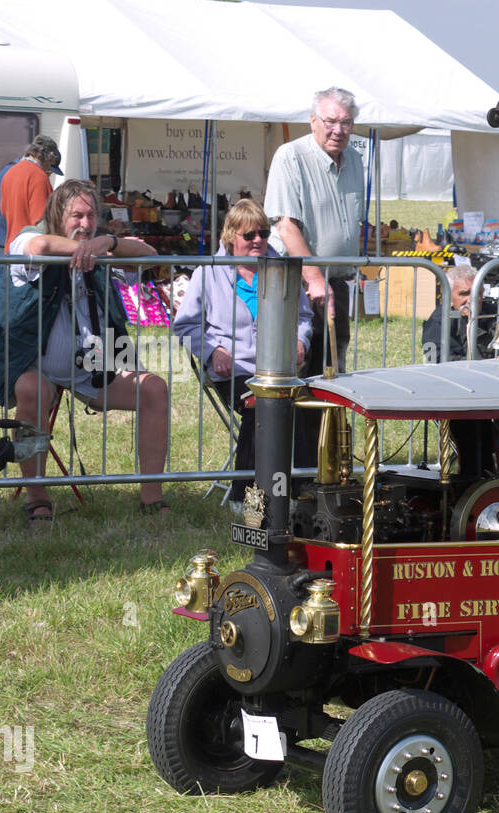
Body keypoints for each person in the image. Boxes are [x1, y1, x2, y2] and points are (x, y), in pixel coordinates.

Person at [0, 179, 168, 521]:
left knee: (154, 389)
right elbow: (38, 245)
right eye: (77, 216)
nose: (85, 223)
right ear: (57, 215)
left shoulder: (101, 249)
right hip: (35, 365)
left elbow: (151, 256)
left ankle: (152, 499)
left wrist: (107, 242)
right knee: (32, 388)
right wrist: (83, 250)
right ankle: (37, 498)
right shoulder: (29, 238)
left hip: (95, 365)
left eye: (91, 215)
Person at [173, 199, 313, 505]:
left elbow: (303, 316)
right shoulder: (208, 272)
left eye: (263, 233)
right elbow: (185, 325)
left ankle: (302, 493)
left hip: (280, 369)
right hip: (233, 370)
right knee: (260, 405)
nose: (258, 240)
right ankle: (245, 499)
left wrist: (301, 340)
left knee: (305, 404)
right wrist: (213, 352)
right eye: (249, 235)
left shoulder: (283, 268)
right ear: (230, 236)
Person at [265, 86, 366, 469]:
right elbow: (286, 226)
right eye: (330, 121)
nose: (338, 130)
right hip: (296, 283)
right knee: (299, 375)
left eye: (345, 122)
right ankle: (294, 468)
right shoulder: (290, 156)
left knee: (333, 378)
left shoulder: (355, 160)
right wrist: (313, 278)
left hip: (335, 283)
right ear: (312, 121)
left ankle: (329, 465)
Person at [0, 135, 63, 251]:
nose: (49, 168)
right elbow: (41, 222)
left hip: (11, 248)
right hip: (29, 251)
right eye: (51, 162)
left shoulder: (9, 173)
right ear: (49, 156)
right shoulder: (39, 177)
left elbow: (4, 211)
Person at [421, 263, 478, 362]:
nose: (471, 300)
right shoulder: (438, 321)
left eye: (476, 293)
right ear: (449, 297)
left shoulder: (495, 313)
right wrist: (481, 363)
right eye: (464, 294)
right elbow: (433, 359)